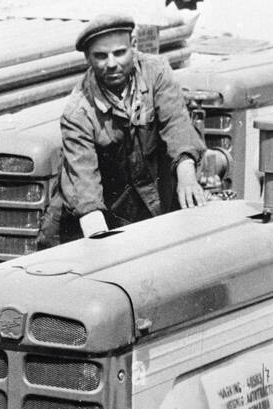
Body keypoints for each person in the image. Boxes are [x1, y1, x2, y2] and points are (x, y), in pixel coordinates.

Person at [56, 13, 206, 240]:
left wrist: (187, 177)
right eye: (100, 56)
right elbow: (83, 179)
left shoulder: (157, 72)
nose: (112, 64)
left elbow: (176, 124)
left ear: (133, 46)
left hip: (157, 187)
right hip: (111, 204)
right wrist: (96, 232)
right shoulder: (77, 112)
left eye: (119, 52)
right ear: (87, 58)